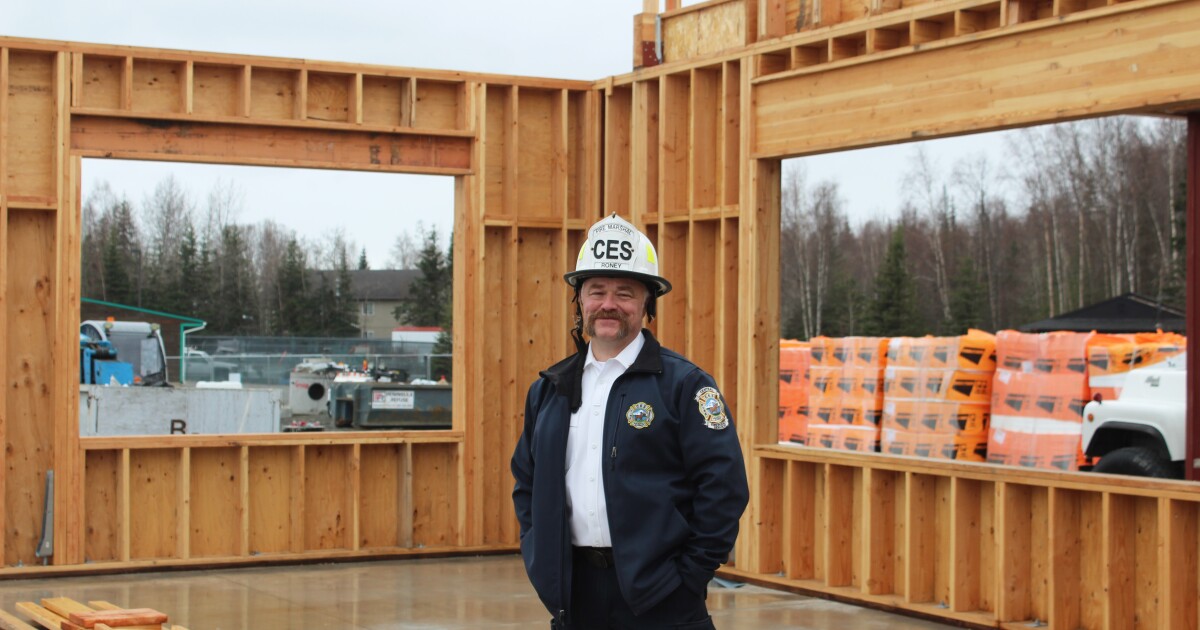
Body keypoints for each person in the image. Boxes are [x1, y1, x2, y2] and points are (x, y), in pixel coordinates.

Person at [511, 213, 749, 629]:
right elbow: (526, 484)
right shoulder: (549, 390)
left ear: (646, 303)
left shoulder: (686, 386)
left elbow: (724, 489)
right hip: (574, 598)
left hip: (663, 601)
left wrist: (688, 578)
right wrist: (539, 557)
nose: (608, 304)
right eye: (596, 291)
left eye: (624, 293)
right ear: (579, 300)